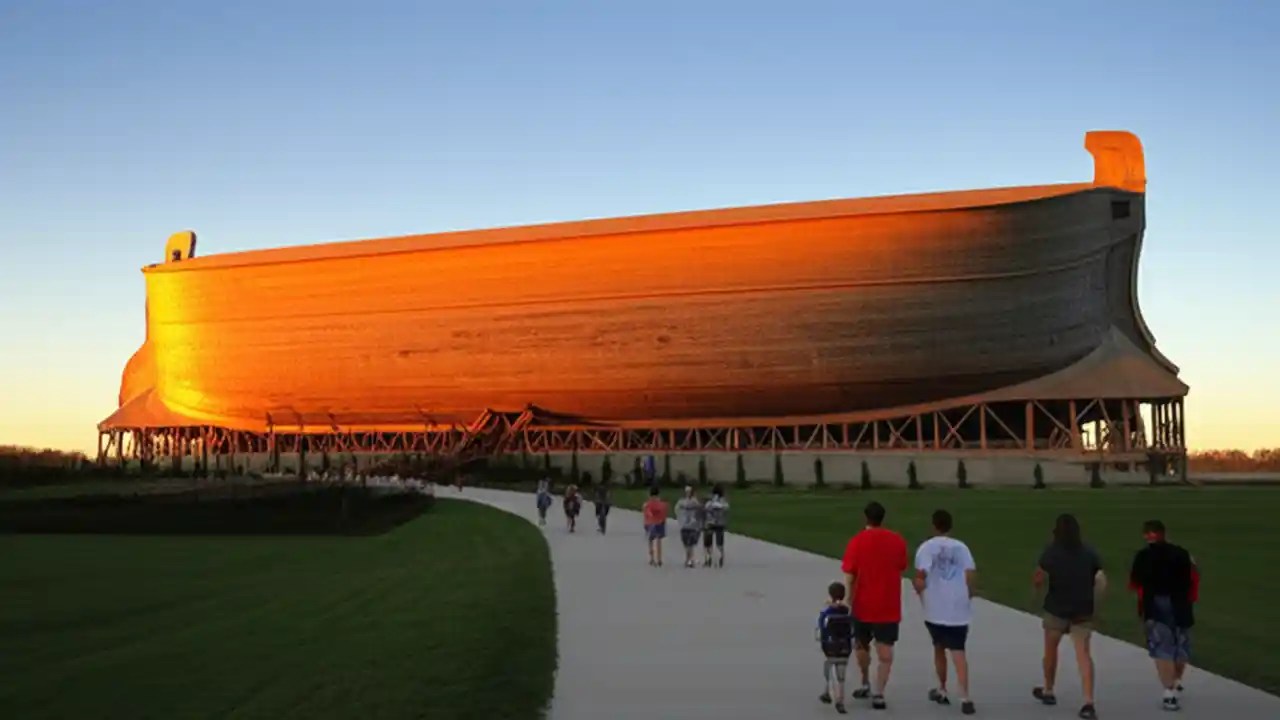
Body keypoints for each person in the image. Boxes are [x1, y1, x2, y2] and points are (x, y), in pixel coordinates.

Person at [1032, 513, 1106, 720]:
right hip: (1083, 610)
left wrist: (1037, 589)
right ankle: (1088, 701)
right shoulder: (1089, 552)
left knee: (1050, 650)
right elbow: (1100, 579)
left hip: (1056, 608)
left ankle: (1048, 689)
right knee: (1083, 655)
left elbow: (1039, 577)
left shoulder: (1051, 552)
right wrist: (1096, 605)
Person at [841, 501, 908, 710]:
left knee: (861, 645)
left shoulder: (857, 541)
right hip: (888, 605)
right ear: (883, 518)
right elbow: (902, 566)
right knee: (885, 653)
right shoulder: (897, 541)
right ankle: (880, 692)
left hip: (863, 604)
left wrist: (848, 600)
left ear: (865, 518)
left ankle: (864, 681)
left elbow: (850, 574)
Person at [1129, 519, 1198, 712]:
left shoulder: (1143, 556)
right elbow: (1191, 579)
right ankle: (1176, 680)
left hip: (1156, 605)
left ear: (1146, 535)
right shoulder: (1182, 554)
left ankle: (1169, 693)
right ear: (1164, 533)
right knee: (1180, 647)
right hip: (1181, 604)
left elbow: (1136, 582)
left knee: (1163, 649)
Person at [913, 509, 977, 715]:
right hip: (957, 608)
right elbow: (969, 575)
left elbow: (921, 577)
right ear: (950, 526)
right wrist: (968, 596)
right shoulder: (962, 547)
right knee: (959, 651)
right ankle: (965, 695)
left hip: (935, 607)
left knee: (939, 648)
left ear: (933, 526)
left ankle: (942, 688)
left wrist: (919, 591)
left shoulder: (926, 548)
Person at [817, 581, 855, 714]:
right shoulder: (847, 612)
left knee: (829, 667)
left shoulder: (827, 612)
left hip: (830, 646)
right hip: (845, 646)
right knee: (841, 672)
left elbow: (821, 627)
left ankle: (832, 694)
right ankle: (837, 695)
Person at [675, 486, 704, 568]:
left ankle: (689, 560)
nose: (688, 493)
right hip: (685, 525)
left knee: (690, 544)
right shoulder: (682, 502)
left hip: (691, 525)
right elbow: (677, 511)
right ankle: (689, 558)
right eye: (686, 491)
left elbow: (699, 511)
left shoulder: (693, 502)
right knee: (687, 544)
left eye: (689, 492)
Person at [702, 484, 730, 567]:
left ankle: (709, 557)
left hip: (710, 523)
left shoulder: (710, 501)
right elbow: (726, 509)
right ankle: (720, 555)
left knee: (708, 542)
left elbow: (706, 508)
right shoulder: (723, 501)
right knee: (719, 541)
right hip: (720, 523)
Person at [641, 487, 669, 567]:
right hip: (659, 523)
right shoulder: (662, 504)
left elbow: (646, 514)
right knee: (659, 540)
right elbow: (664, 514)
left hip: (650, 523)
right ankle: (659, 559)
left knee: (650, 540)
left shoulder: (647, 504)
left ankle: (652, 558)